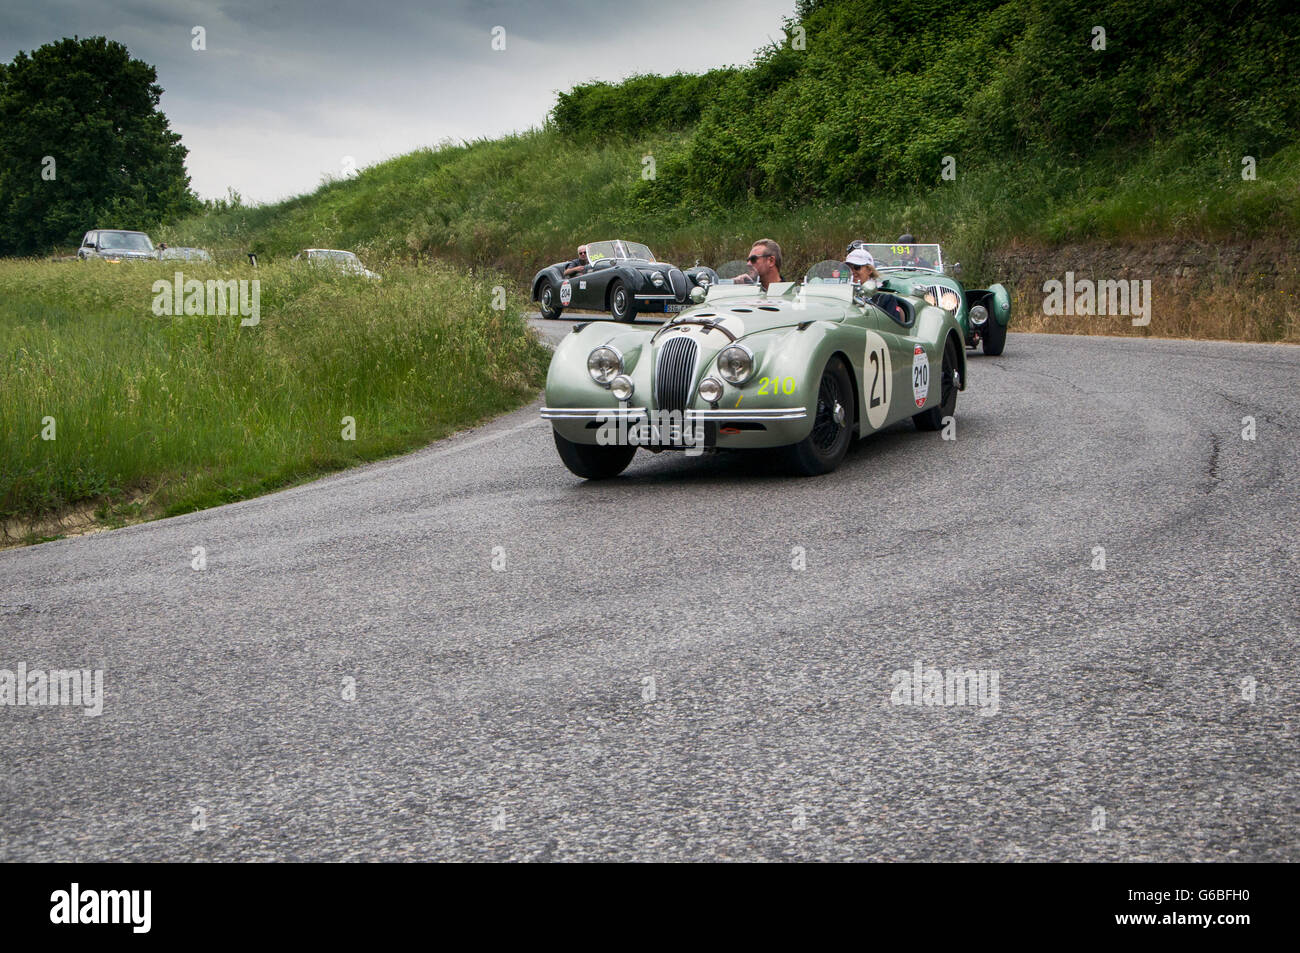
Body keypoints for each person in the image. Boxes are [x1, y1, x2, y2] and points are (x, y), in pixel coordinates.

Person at [846, 247, 908, 324]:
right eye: (848, 268)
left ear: (869, 270)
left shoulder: (885, 300)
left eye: (857, 267)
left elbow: (892, 329)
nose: (852, 271)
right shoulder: (842, 294)